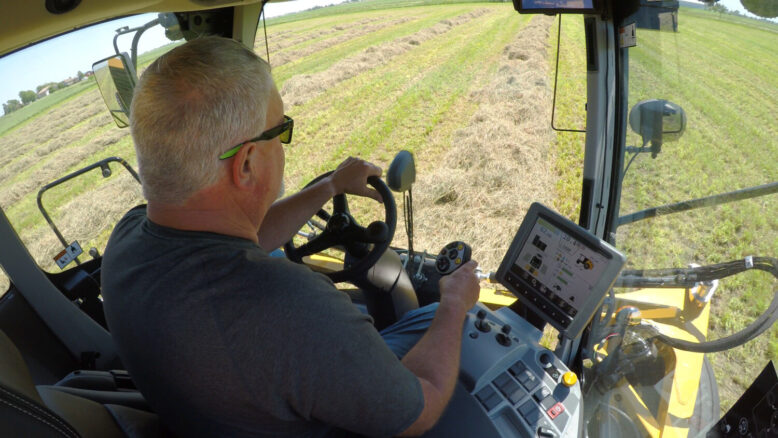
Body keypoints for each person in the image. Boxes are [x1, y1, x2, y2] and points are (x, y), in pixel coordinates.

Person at [101, 36, 480, 438]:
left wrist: (329, 187)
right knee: (447, 323)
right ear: (246, 163)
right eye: (281, 130)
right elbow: (418, 410)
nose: (284, 144)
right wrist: (454, 304)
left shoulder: (128, 239)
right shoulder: (287, 306)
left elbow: (238, 241)